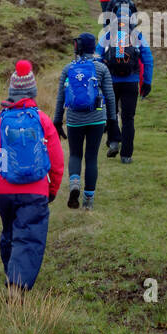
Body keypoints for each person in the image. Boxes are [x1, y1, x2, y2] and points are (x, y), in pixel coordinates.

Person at [0, 60, 65, 297]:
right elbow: (57, 159)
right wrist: (53, 187)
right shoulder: (41, 119)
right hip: (35, 190)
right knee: (29, 234)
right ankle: (16, 285)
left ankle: (11, 272)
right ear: (32, 91)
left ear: (12, 92)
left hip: (3, 191)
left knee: (10, 231)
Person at [52, 33, 119, 210]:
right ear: (93, 47)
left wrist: (57, 121)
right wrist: (112, 121)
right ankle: (88, 201)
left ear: (78, 47)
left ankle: (75, 182)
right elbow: (110, 96)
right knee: (91, 157)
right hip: (97, 119)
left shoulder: (68, 69)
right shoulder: (101, 68)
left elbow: (60, 98)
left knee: (75, 154)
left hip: (74, 119)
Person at [96, 6, 153, 163]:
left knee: (111, 113)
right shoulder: (137, 35)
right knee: (128, 119)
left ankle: (114, 141)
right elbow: (148, 58)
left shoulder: (108, 34)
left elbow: (97, 56)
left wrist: (101, 76)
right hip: (131, 82)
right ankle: (126, 155)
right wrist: (146, 82)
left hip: (111, 82)